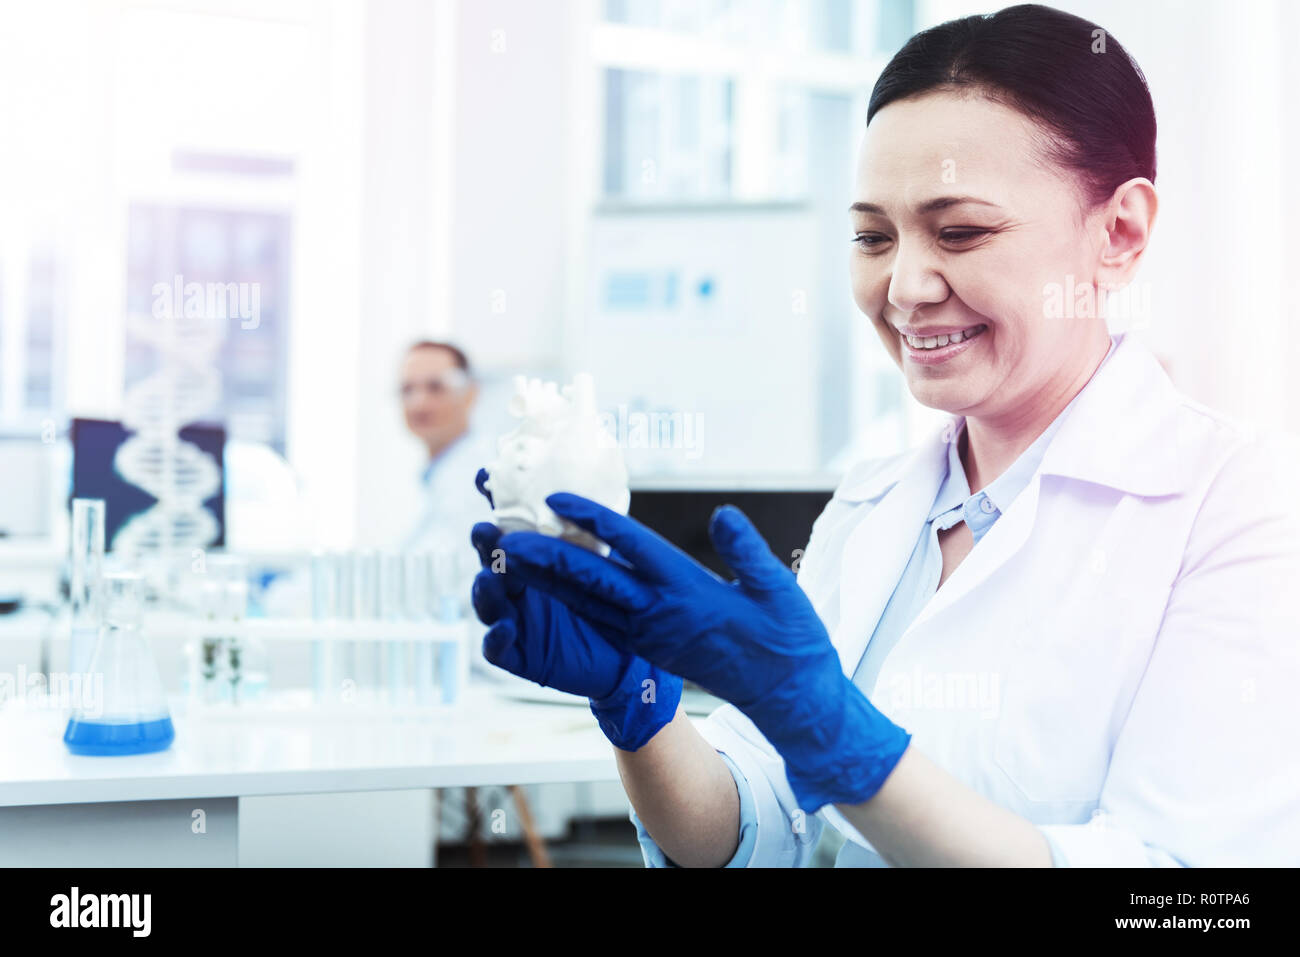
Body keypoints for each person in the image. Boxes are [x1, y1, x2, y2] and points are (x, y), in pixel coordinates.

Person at [469, 3, 1300, 867]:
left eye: (961, 230)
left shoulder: (1244, 508)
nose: (902, 286)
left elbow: (1180, 896)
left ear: (1119, 232)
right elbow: (756, 822)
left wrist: (846, 742)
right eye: (873, 236)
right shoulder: (872, 505)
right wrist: (640, 705)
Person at [399, 340, 492, 560]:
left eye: (435, 387)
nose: (418, 403)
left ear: (470, 394)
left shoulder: (483, 480)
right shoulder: (433, 479)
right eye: (408, 389)